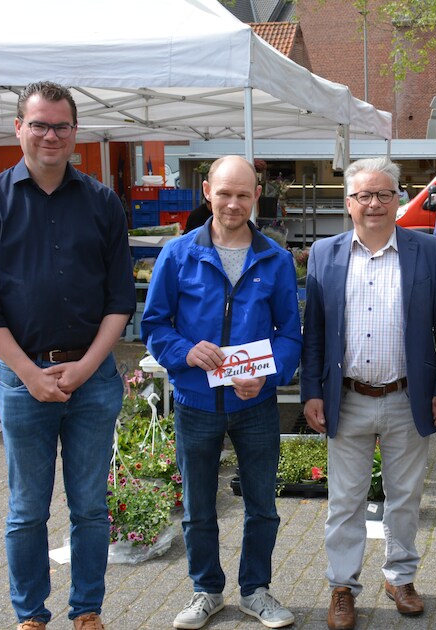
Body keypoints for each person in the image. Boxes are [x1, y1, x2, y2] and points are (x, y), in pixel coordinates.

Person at [0, 81, 135, 630]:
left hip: (93, 376)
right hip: (22, 378)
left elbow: (120, 300)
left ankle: (87, 610)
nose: (50, 135)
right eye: (39, 124)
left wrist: (85, 368)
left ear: (75, 132)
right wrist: (29, 374)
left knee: (89, 508)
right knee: (26, 512)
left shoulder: (103, 202)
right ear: (19, 129)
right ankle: (30, 615)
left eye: (61, 125)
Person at [141, 155, 302, 630]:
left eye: (243, 194)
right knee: (197, 506)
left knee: (262, 506)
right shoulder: (178, 254)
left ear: (256, 197)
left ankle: (255, 591)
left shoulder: (273, 258)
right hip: (196, 405)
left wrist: (269, 377)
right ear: (207, 191)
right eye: (225, 193)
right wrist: (186, 352)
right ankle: (206, 591)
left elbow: (290, 334)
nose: (233, 203)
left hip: (255, 405)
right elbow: (155, 324)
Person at [301, 157, 436, 630]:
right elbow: (315, 333)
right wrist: (311, 390)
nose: (374, 203)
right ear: (348, 203)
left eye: (384, 194)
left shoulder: (428, 252)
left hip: (407, 396)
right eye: (364, 196)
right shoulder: (325, 254)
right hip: (345, 398)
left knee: (405, 497)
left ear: (399, 199)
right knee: (344, 501)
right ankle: (343, 586)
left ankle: (400, 577)